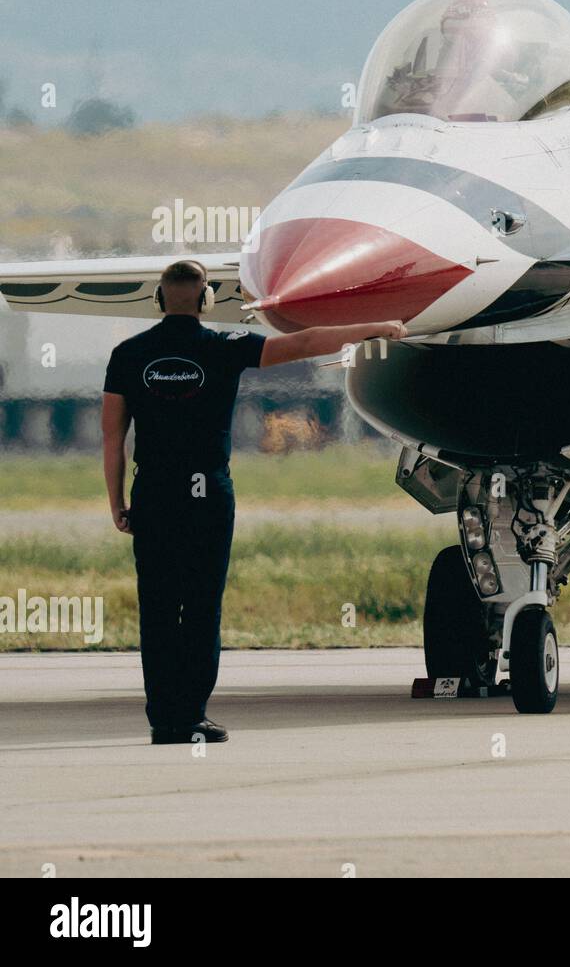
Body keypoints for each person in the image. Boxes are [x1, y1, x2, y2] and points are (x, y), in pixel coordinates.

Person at [101, 259, 407, 744]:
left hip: (153, 492)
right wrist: (376, 329)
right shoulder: (223, 348)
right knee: (201, 606)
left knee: (157, 608)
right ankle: (192, 715)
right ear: (206, 301)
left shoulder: (127, 354)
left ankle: (163, 719)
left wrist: (117, 502)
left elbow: (112, 438)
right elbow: (305, 343)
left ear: (159, 300)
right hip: (206, 493)